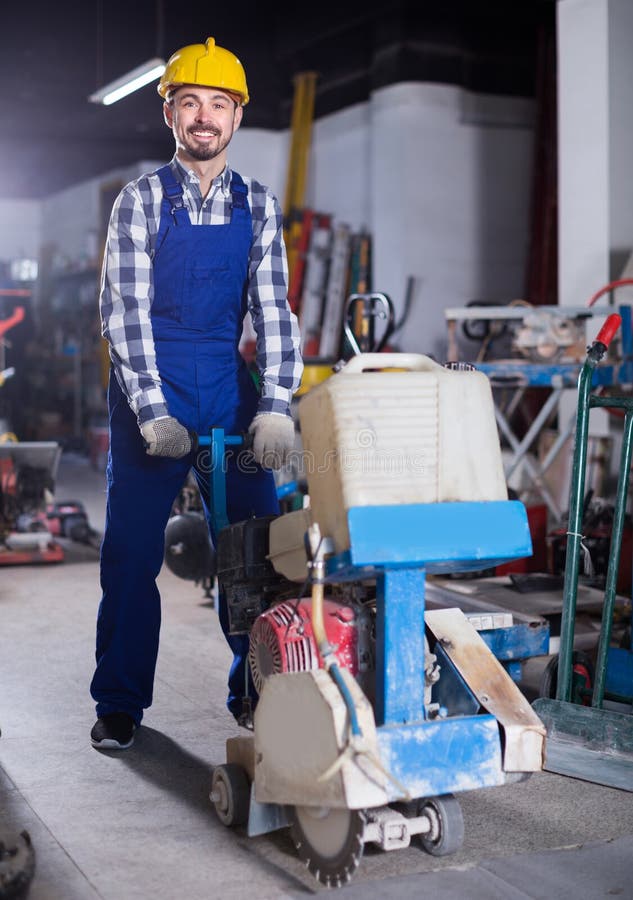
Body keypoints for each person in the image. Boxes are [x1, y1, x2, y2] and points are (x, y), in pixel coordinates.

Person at [90, 36, 303, 750]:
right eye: (189, 102)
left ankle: (256, 691)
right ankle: (120, 702)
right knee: (128, 554)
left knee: (257, 553)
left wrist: (274, 401)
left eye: (218, 103)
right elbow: (123, 313)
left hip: (226, 387)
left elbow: (272, 310)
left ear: (236, 117)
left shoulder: (258, 206)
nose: (203, 116)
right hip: (152, 386)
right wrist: (152, 412)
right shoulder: (141, 201)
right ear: (170, 115)